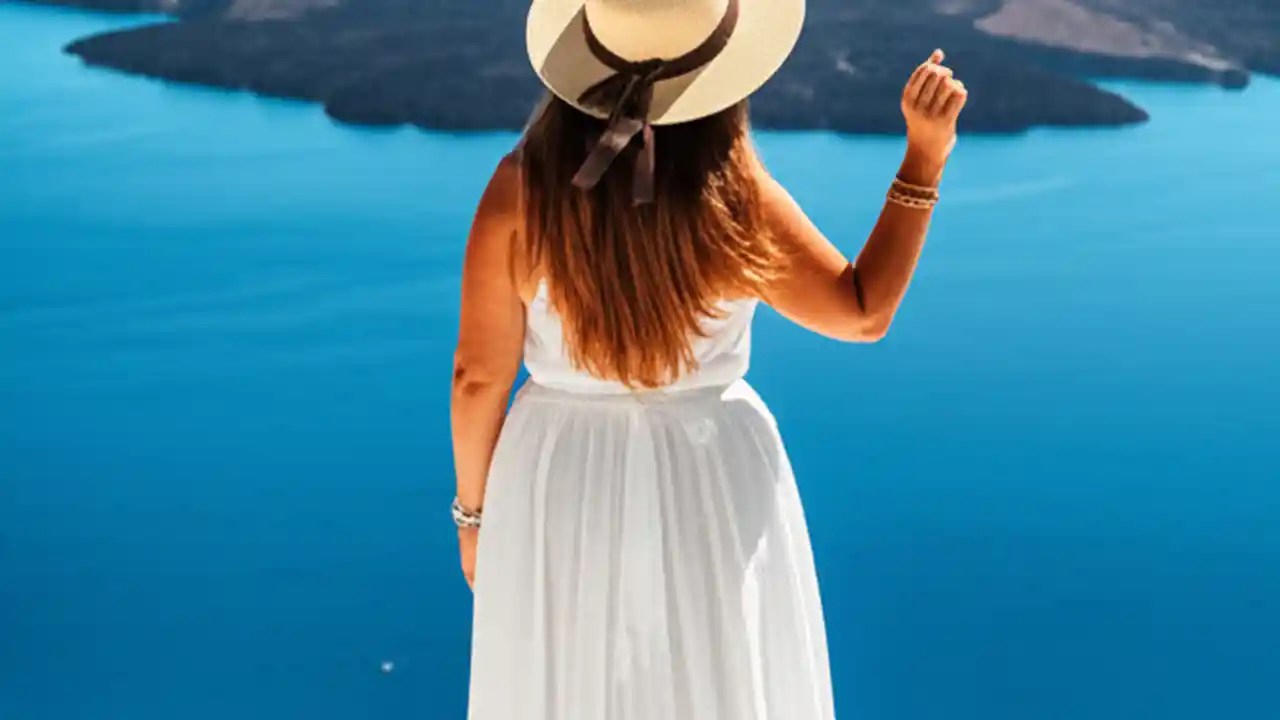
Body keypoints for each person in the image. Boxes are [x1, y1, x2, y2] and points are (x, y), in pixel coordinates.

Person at [450, 0, 967, 716]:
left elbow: (477, 379)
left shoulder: (519, 189)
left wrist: (475, 521)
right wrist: (924, 158)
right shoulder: (734, 197)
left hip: (555, 470)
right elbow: (862, 312)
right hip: (709, 466)